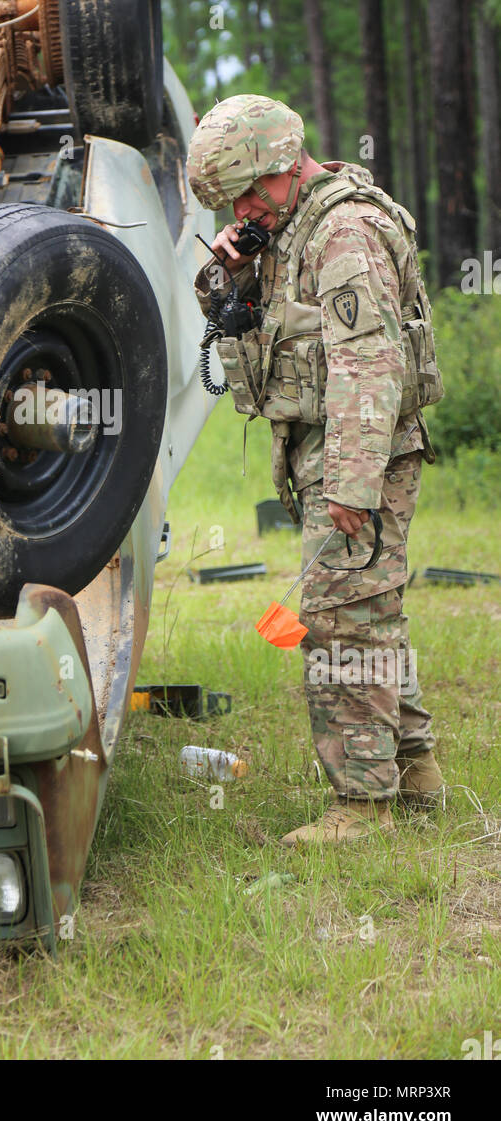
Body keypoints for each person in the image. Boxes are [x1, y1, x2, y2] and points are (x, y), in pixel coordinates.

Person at [187, 94, 445, 845]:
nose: (238, 210)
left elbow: (370, 362)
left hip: (359, 452)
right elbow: (249, 321)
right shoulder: (283, 226)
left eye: (242, 195)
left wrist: (352, 486)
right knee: (369, 612)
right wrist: (230, 274)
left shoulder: (344, 232)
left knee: (337, 623)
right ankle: (416, 765)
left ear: (277, 170)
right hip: (317, 447)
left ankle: (363, 805)